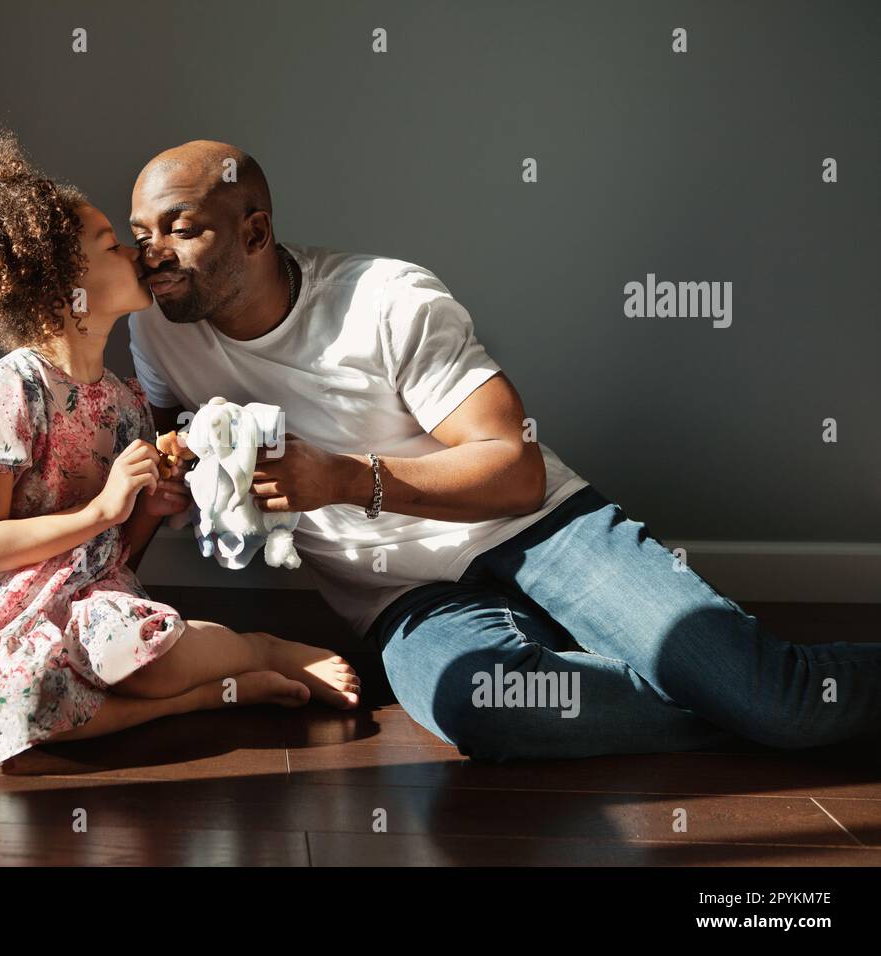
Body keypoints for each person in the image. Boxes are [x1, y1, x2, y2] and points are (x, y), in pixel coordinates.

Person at [125, 139, 881, 762]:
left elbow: (514, 470)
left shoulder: (384, 300)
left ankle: (755, 697)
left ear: (255, 232)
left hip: (536, 532)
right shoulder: (157, 328)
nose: (150, 255)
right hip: (404, 596)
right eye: (140, 235)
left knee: (782, 706)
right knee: (478, 709)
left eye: (179, 228)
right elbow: (170, 454)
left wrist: (348, 479)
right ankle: (729, 698)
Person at [0, 130, 359, 769]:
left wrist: (150, 503)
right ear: (64, 281)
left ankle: (254, 648)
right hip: (0, 615)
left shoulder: (124, 404)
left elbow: (114, 555)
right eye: (112, 244)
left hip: (86, 602)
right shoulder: (7, 387)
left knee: (129, 645)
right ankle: (210, 692)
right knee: (19, 700)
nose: (139, 253)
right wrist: (105, 506)